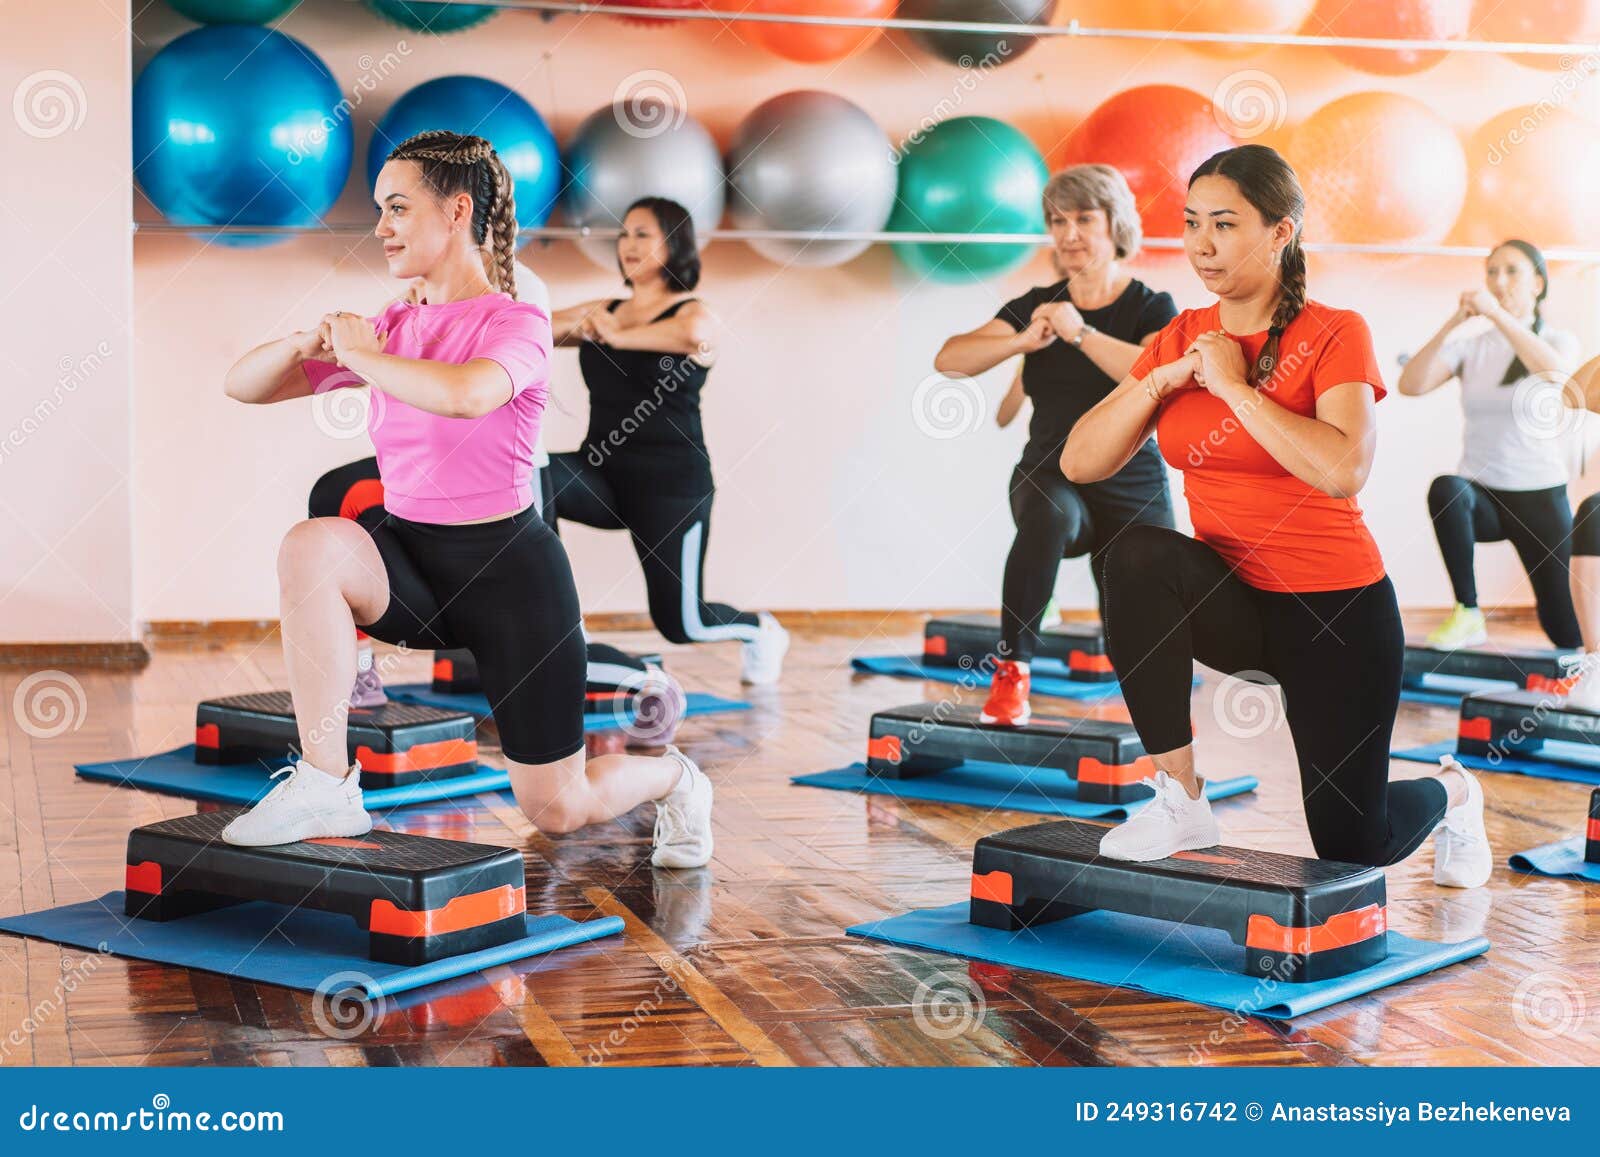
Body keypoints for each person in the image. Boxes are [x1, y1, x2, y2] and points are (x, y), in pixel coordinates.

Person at [219, 130, 712, 868]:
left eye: (396, 207)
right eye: (378, 210)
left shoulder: (516, 322)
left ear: (456, 212)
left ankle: (678, 778)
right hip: (416, 566)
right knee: (312, 543)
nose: (381, 226)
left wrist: (363, 354)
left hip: (514, 579)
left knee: (557, 809)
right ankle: (326, 784)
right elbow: (243, 385)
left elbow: (468, 394)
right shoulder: (393, 325)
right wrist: (307, 343)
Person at [1062, 144, 1490, 887]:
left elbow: (1342, 467)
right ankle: (1181, 797)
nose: (1201, 243)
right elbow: (1080, 460)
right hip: (1237, 605)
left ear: (1280, 232)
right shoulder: (1180, 335)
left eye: (1224, 224)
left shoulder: (1334, 331)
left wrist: (1232, 388)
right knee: (1135, 558)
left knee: (1354, 845)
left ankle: (1455, 789)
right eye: (1192, 223)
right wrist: (1160, 378)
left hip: (1339, 618)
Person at [933, 164, 1177, 725]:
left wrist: (1079, 333)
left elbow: (1149, 375)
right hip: (1050, 474)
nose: (1069, 233)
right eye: (1057, 221)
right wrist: (1024, 338)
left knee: (1135, 623)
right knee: (1046, 517)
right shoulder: (1038, 304)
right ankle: (1012, 675)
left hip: (1132, 484)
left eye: (1084, 219)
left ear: (1115, 225)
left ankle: (1158, 731)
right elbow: (949, 359)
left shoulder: (1151, 307)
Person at [546, 197, 789, 685]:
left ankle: (762, 632)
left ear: (674, 244)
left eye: (643, 234)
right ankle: (552, 623)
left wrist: (613, 333)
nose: (629, 245)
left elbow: (697, 334)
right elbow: (537, 327)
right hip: (602, 474)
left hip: (671, 489)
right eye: (624, 234)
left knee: (683, 624)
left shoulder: (691, 313)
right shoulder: (604, 311)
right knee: (532, 474)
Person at [1397, 240, 1582, 651]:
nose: (1499, 281)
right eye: (1491, 271)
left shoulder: (1558, 341)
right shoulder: (1472, 348)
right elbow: (1410, 384)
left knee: (1564, 629)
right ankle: (1468, 612)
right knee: (1446, 488)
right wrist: (1452, 322)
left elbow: (1557, 374)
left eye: (1511, 271)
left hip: (1540, 498)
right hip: (1483, 498)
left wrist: (1496, 313)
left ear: (1538, 283)